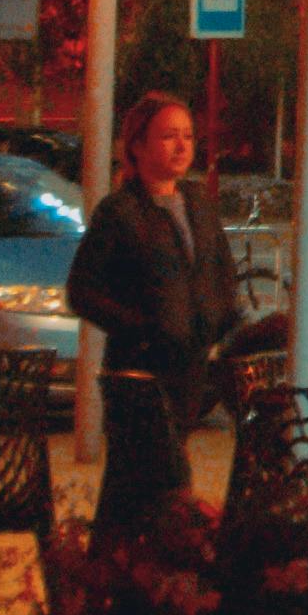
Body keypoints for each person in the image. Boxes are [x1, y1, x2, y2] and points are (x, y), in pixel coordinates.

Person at [71, 84, 250, 530]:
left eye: (188, 136)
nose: (181, 146)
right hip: (139, 375)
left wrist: (220, 322)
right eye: (168, 136)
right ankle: (139, 573)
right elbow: (83, 290)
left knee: (132, 493)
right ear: (138, 145)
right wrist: (143, 328)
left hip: (190, 372)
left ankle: (118, 571)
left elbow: (221, 270)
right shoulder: (120, 212)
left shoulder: (197, 204)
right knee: (166, 482)